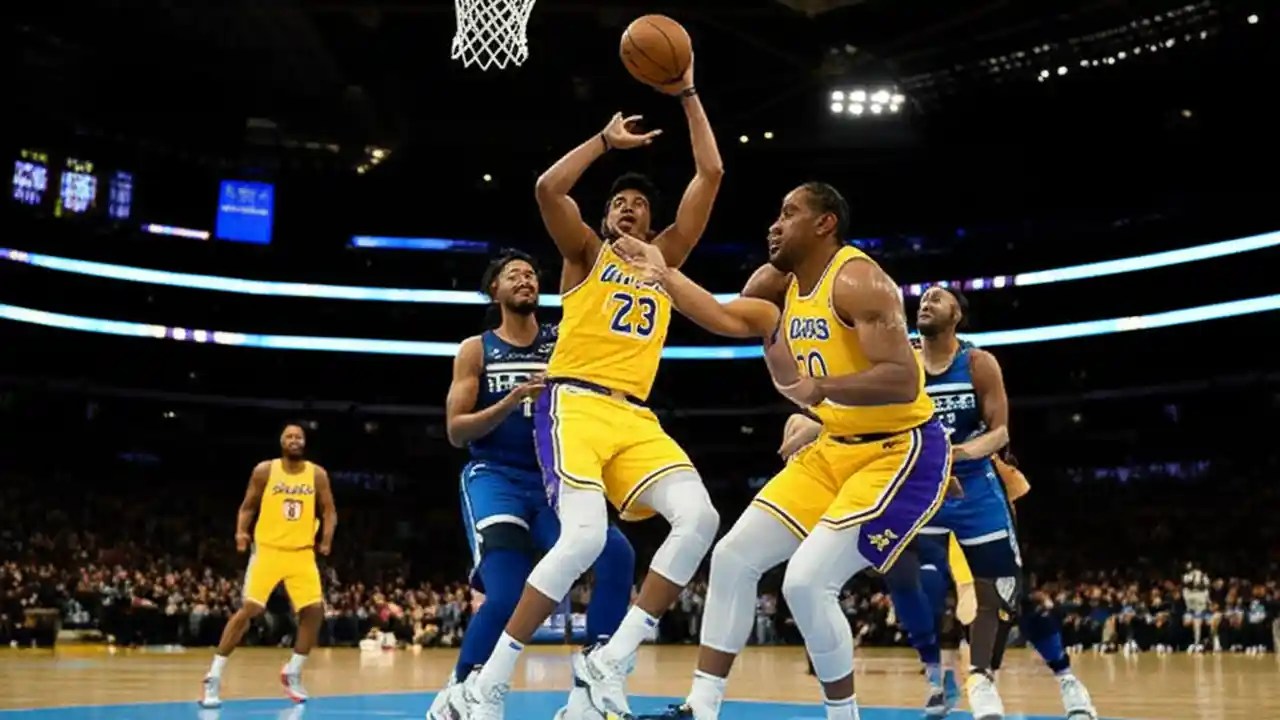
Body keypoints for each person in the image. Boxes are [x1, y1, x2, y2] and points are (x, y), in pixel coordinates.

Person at [621, 181, 951, 720]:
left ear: (825, 224)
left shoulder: (860, 279)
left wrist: (821, 396)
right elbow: (728, 319)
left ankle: (842, 715)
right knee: (732, 558)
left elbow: (900, 381)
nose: (774, 224)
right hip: (834, 447)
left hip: (899, 451)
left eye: (789, 213)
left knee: (805, 581)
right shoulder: (775, 283)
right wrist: (665, 272)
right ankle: (702, 706)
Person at [457, 57, 724, 720]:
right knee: (581, 540)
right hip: (573, 404)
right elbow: (549, 189)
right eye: (618, 203)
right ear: (604, 220)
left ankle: (610, 660)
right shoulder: (583, 255)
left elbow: (712, 174)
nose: (629, 208)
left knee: (702, 519)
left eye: (639, 204)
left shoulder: (667, 260)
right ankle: (487, 683)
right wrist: (604, 142)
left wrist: (688, 93)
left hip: (636, 419)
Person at [427, 250, 637, 720]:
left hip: (554, 478)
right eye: (513, 275)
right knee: (505, 594)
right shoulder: (476, 349)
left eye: (530, 272)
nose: (525, 279)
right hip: (495, 477)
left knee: (617, 553)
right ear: (495, 291)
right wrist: (514, 399)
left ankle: (593, 677)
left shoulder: (561, 341)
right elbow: (457, 431)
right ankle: (460, 692)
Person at [904, 286, 1096, 719]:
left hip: (977, 492)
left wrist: (956, 454)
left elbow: (1000, 432)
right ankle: (954, 682)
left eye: (938, 297)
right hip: (927, 497)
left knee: (1008, 598)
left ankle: (1067, 680)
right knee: (924, 591)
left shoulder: (977, 363)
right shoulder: (905, 363)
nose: (927, 302)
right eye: (923, 298)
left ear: (957, 316)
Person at [199, 423, 337, 708]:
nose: (294, 440)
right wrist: (240, 531)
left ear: (305, 442)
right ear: (281, 442)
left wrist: (326, 539)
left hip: (301, 553)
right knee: (250, 610)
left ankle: (293, 671)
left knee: (314, 612)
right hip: (268, 551)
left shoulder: (317, 474)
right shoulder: (265, 470)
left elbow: (329, 511)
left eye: (299, 436)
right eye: (289, 436)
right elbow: (248, 505)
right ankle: (213, 676)